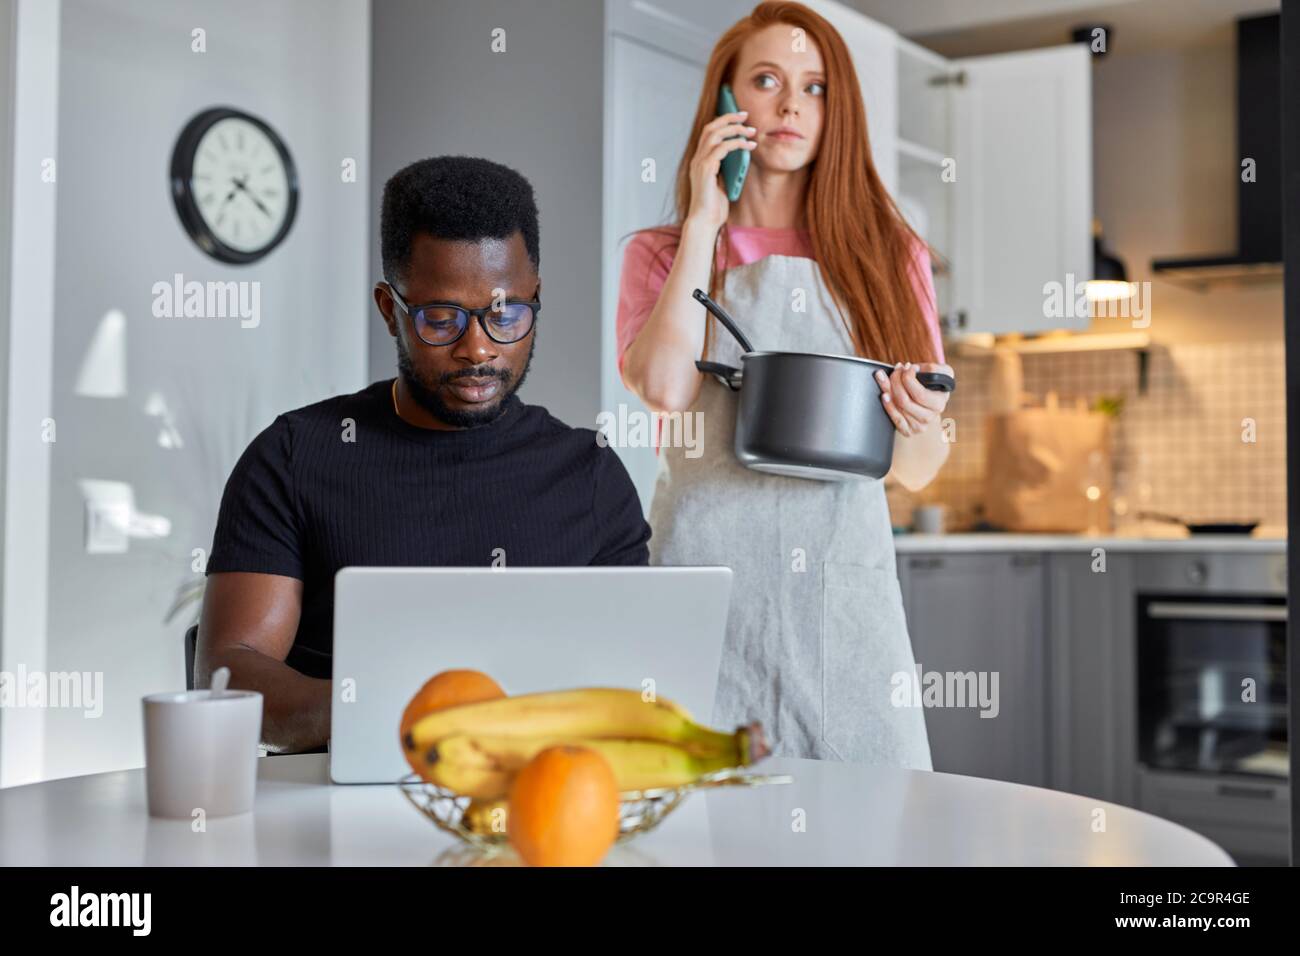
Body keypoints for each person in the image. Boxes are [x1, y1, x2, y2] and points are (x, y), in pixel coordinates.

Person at [198, 156, 651, 753]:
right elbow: (230, 672)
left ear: (535, 298)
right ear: (391, 310)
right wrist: (419, 722)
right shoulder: (294, 458)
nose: (478, 348)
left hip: (534, 803)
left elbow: (633, 683)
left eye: (505, 313)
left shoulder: (589, 475)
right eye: (442, 318)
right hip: (331, 811)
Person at [617, 1, 953, 770]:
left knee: (874, 826)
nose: (792, 104)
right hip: (703, 583)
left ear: (840, 111)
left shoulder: (889, 256)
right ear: (728, 103)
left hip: (842, 601)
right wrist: (705, 220)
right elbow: (666, 389)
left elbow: (917, 466)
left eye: (817, 86)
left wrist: (919, 417)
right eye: (766, 80)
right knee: (695, 824)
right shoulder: (662, 252)